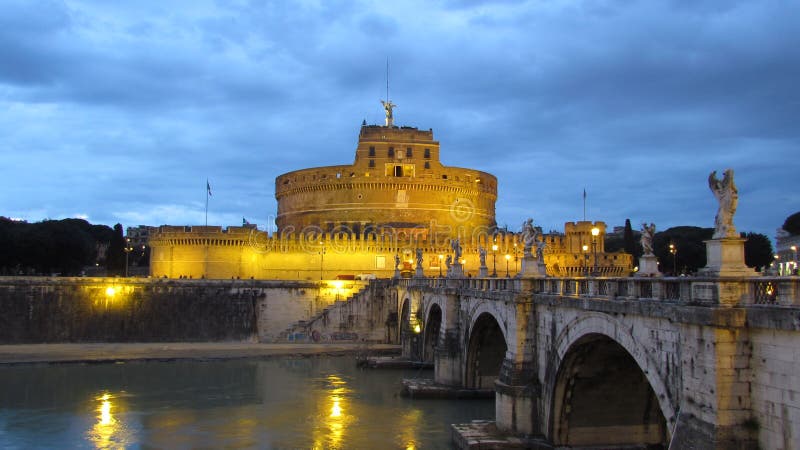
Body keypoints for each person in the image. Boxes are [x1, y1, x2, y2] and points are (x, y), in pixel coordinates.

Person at [708, 169, 738, 239]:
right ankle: (723, 227)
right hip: (725, 201)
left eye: (725, 174)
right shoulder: (722, 188)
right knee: (723, 214)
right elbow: (735, 190)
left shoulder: (728, 185)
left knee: (728, 213)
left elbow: (735, 190)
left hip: (728, 200)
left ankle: (725, 226)